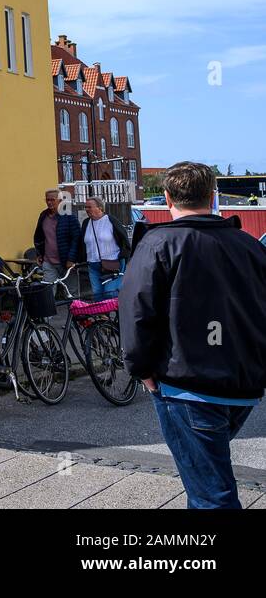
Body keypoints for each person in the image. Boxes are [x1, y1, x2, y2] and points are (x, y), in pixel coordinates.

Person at [121, 161, 266, 509]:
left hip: (187, 386)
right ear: (213, 196)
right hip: (242, 385)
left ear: (167, 197)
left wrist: (140, 368)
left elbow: (137, 309)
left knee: (210, 494)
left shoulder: (159, 243)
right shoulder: (250, 246)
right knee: (203, 478)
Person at [75, 197, 131, 299]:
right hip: (93, 264)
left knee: (110, 292)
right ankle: (103, 315)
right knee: (97, 293)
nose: (86, 209)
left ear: (100, 208)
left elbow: (124, 240)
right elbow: (82, 243)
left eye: (89, 207)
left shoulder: (111, 221)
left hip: (113, 263)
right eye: (85, 207)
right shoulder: (86, 223)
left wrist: (124, 256)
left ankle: (119, 313)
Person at [32, 188, 81, 288]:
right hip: (48, 262)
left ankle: (72, 304)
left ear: (60, 201)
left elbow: (77, 239)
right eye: (47, 200)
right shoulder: (43, 215)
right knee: (47, 292)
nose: (49, 202)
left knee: (71, 292)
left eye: (52, 200)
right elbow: (39, 236)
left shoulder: (69, 216)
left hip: (66, 262)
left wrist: (71, 259)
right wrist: (39, 254)